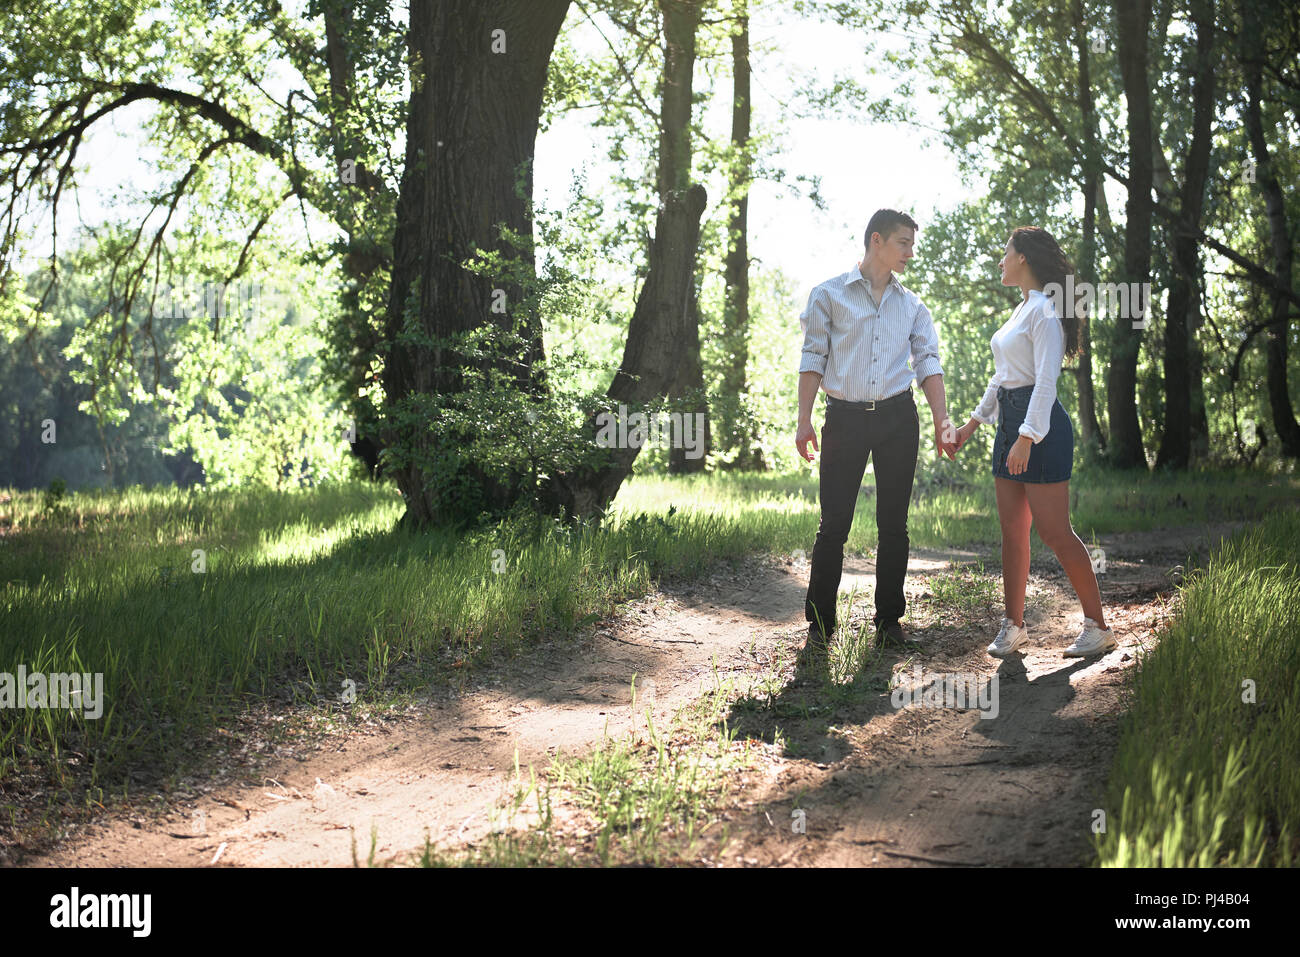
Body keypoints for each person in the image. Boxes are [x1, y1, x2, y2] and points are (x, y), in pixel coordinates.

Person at [795, 209, 957, 665]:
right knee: (834, 525)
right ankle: (820, 624)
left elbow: (928, 364)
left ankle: (888, 622)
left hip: (896, 419)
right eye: (903, 242)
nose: (910, 252)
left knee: (894, 524)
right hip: (843, 419)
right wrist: (804, 420)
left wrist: (943, 419)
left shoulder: (913, 306)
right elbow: (813, 357)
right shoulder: (828, 295)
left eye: (912, 243)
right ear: (876, 240)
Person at [952, 226, 1116, 658]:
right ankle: (1014, 626)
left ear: (1022, 257)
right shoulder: (1021, 309)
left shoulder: (1044, 311)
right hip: (1010, 424)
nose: (1000, 261)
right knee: (1013, 532)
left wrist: (1027, 437)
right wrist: (971, 426)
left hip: (1038, 429)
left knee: (1055, 532)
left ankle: (1097, 626)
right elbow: (1001, 378)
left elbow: (1046, 381)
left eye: (1005, 253)